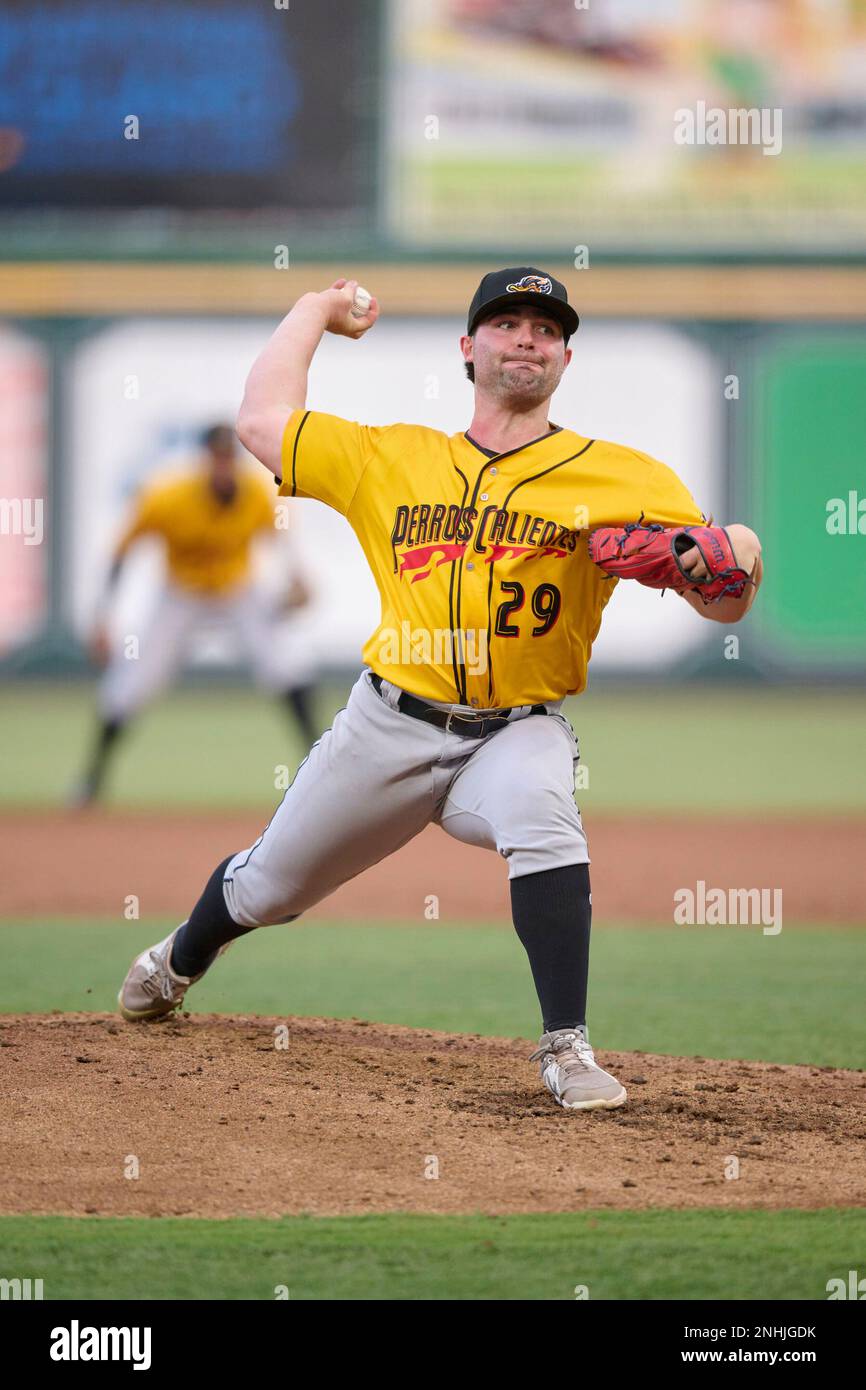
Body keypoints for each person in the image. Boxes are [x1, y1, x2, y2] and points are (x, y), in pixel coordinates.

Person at [117, 269, 763, 1112]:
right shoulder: (392, 457)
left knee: (543, 818)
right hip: (387, 725)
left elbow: (720, 598)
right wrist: (313, 309)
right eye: (506, 323)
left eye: (545, 327)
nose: (526, 337)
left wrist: (732, 560)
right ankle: (179, 960)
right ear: (469, 349)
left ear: (566, 357)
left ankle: (567, 1048)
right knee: (267, 889)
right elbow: (259, 421)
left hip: (517, 728)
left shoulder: (626, 477)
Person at [71, 423, 318, 805]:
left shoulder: (255, 493)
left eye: (228, 457)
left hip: (238, 591)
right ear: (205, 459)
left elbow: (282, 541)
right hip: (181, 595)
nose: (223, 465)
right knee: (132, 683)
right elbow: (121, 552)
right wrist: (103, 616)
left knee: (285, 665)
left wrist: (297, 578)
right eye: (216, 457)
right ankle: (91, 780)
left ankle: (320, 772)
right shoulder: (167, 497)